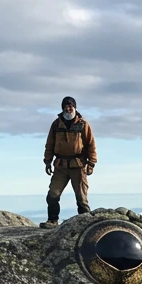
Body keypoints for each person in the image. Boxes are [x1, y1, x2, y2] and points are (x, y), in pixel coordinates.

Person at [41, 96, 97, 228]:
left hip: (78, 165)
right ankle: (53, 221)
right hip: (60, 165)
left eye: (70, 106)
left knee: (81, 198)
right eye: (65, 106)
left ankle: (84, 224)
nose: (68, 108)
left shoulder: (83, 124)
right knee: (53, 195)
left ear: (75, 108)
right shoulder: (56, 124)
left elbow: (91, 145)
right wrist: (47, 162)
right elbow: (50, 144)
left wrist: (91, 163)